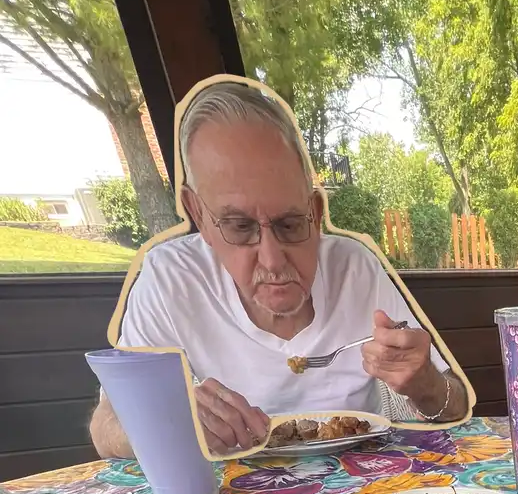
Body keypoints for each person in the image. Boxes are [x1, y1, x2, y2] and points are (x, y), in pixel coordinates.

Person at [90, 80, 469, 458]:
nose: (273, 260)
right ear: (199, 216)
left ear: (316, 215)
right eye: (239, 227)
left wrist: (426, 386)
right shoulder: (169, 279)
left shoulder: (355, 267)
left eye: (290, 225)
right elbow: (106, 428)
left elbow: (453, 405)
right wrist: (171, 422)